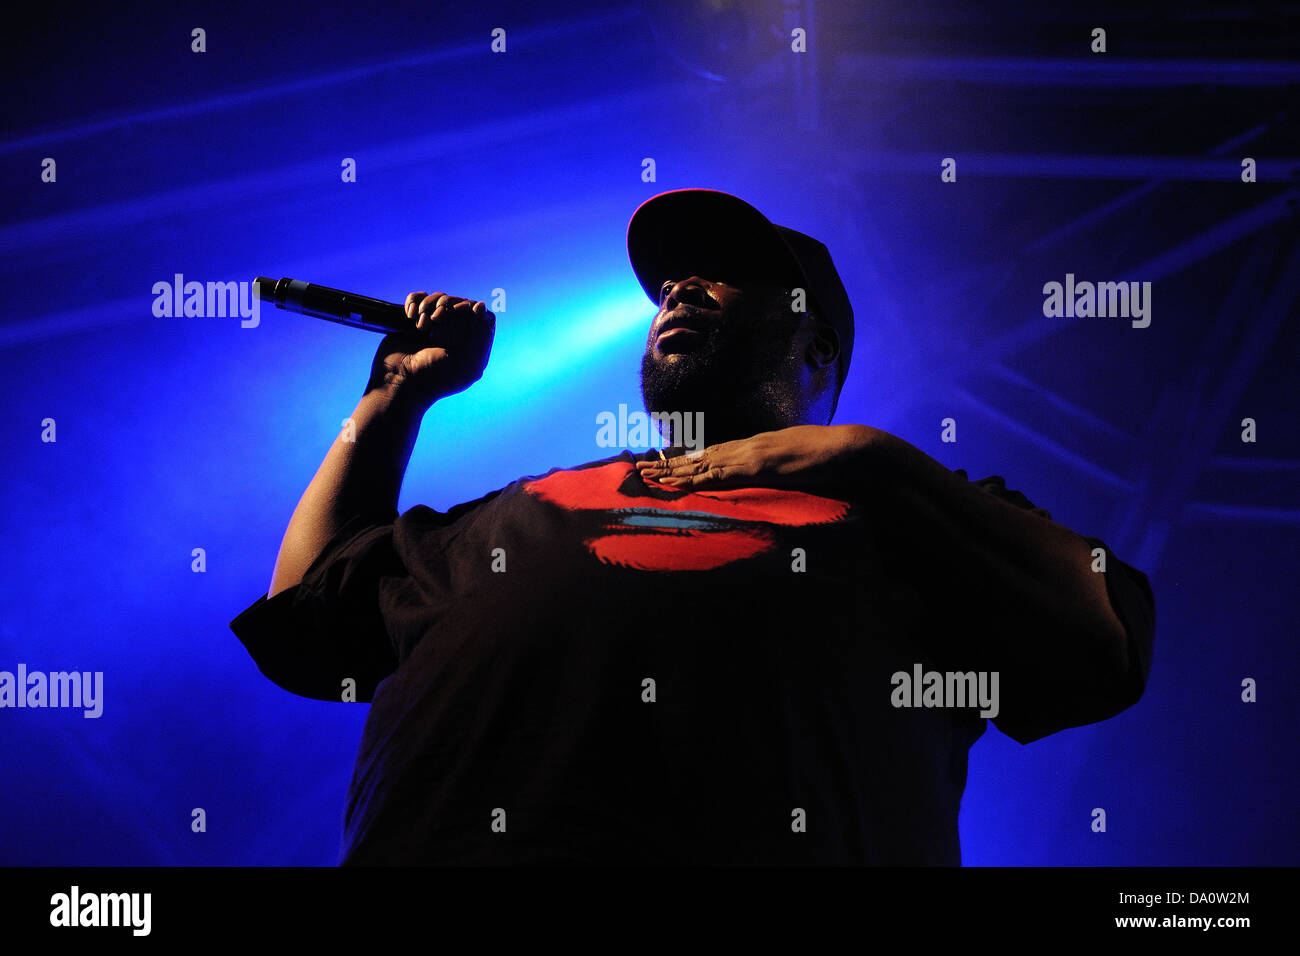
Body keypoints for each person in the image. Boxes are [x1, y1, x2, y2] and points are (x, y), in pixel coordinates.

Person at [230, 188, 1155, 866]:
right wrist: (395, 397)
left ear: (815, 342)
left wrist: (869, 459)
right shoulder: (526, 507)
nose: (681, 284)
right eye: (674, 274)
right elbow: (308, 614)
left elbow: (1101, 639)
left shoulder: (905, 506)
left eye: (730, 272)